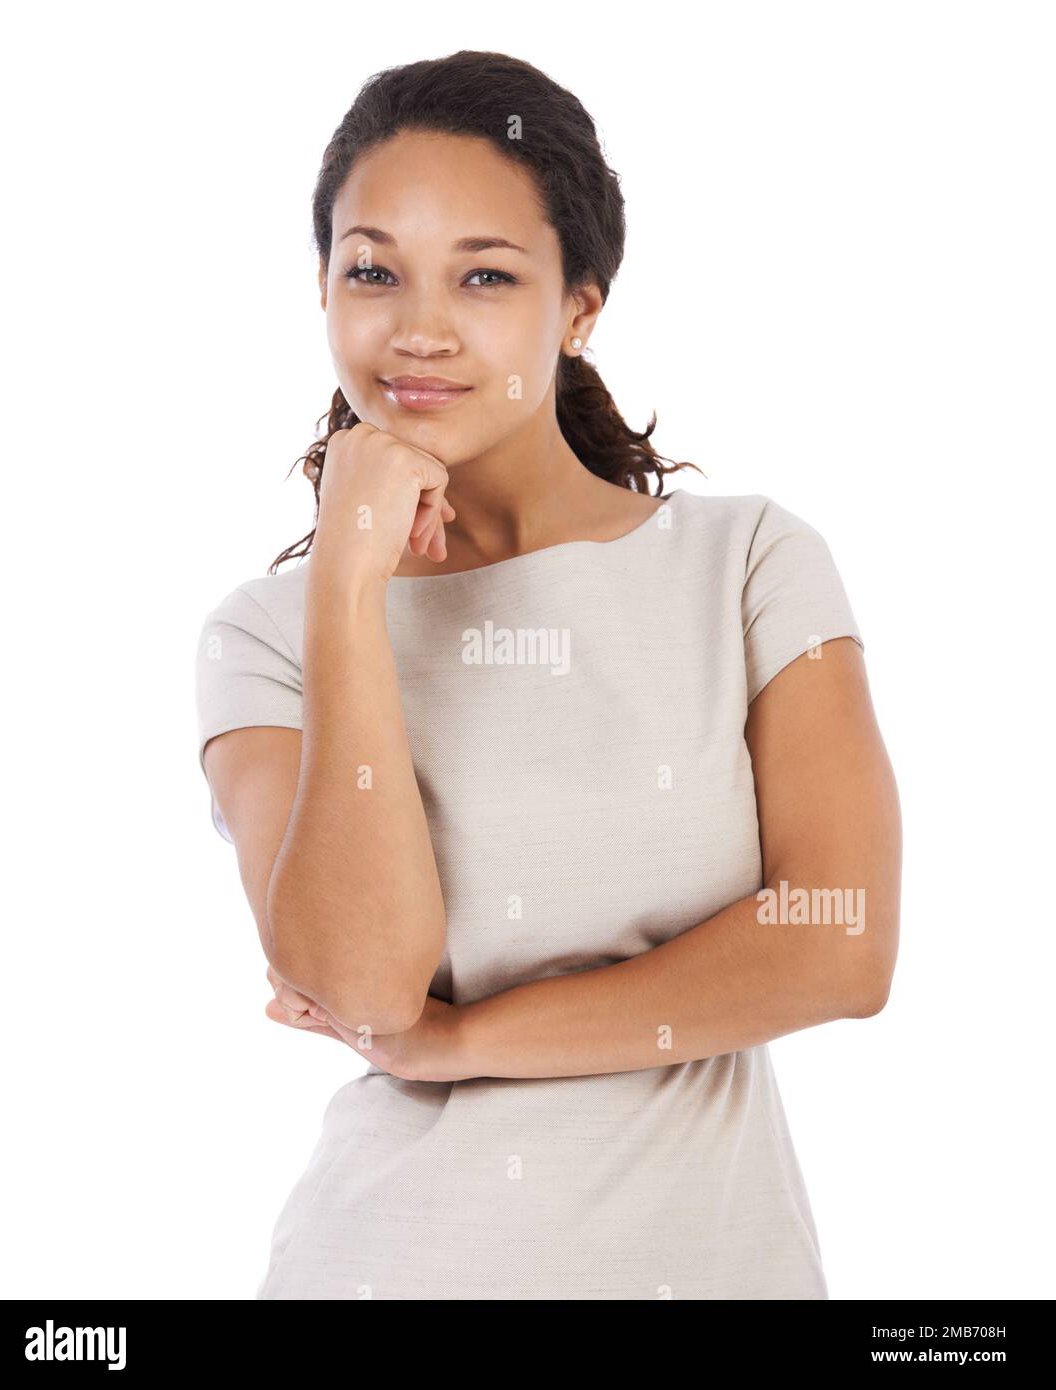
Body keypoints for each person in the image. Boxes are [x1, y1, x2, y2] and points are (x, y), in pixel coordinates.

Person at [194, 50, 901, 1300]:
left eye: (483, 275)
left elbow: (839, 943)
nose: (418, 326)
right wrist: (347, 599)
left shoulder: (743, 563)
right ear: (321, 290)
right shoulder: (267, 635)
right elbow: (360, 981)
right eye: (373, 271)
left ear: (578, 306)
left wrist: (460, 1035)